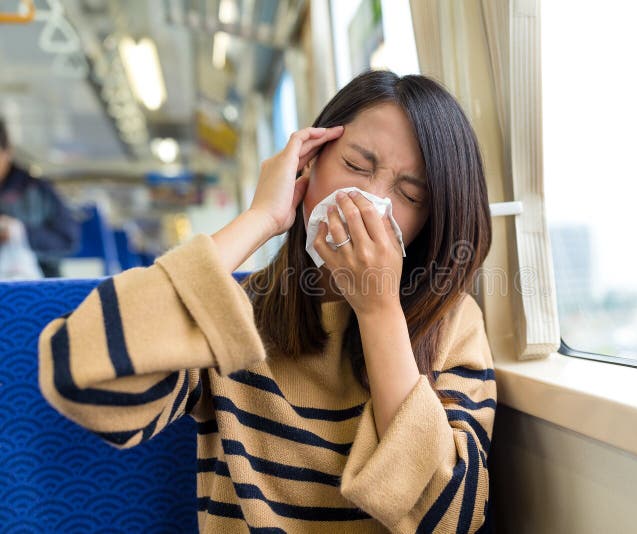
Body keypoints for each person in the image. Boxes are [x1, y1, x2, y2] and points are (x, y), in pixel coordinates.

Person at [38, 70, 495, 533]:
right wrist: (260, 217)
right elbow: (83, 374)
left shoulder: (452, 324)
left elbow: (451, 518)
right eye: (356, 167)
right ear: (307, 165)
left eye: (409, 193)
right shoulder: (230, 313)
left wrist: (378, 313)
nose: (370, 202)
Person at [0, 118, 80, 277]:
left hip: (36, 291)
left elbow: (66, 241)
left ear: (7, 152)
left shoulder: (38, 191)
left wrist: (18, 232)